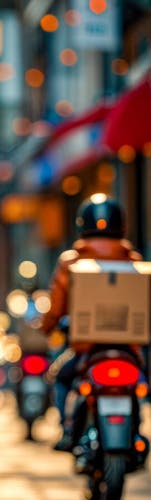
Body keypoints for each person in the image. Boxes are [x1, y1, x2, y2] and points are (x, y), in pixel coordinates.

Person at [41, 193, 144, 450]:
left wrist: (48, 326)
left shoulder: (71, 261)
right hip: (128, 349)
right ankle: (136, 433)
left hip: (86, 348)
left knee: (61, 376)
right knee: (139, 384)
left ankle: (67, 430)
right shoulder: (134, 261)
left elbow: (56, 306)